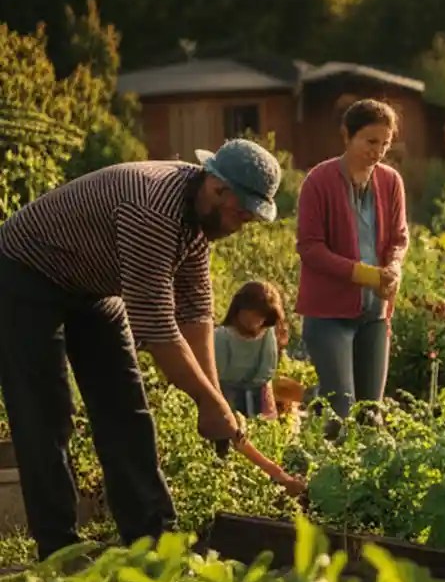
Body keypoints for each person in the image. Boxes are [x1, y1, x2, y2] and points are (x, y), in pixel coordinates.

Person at [0, 138, 282, 560]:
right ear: (218, 188)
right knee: (46, 414)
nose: (241, 224)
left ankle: (153, 542)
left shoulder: (196, 220)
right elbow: (157, 327)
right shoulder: (153, 208)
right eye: (241, 213)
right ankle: (60, 548)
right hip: (25, 273)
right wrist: (208, 403)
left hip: (92, 283)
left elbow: (195, 311)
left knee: (126, 408)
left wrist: (213, 398)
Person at [295, 99, 409, 432]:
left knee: (371, 414)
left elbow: (400, 238)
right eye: (370, 141)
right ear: (347, 136)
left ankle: (369, 482)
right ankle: (328, 478)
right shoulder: (319, 181)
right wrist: (364, 274)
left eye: (385, 143)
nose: (378, 151)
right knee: (340, 412)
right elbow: (310, 248)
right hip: (329, 314)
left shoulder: (390, 182)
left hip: (375, 313)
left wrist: (394, 268)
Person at [215, 281, 285, 418]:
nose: (254, 320)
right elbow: (219, 373)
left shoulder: (267, 335)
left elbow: (266, 371)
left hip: (257, 395)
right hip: (225, 393)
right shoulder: (222, 336)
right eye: (251, 313)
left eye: (260, 316)